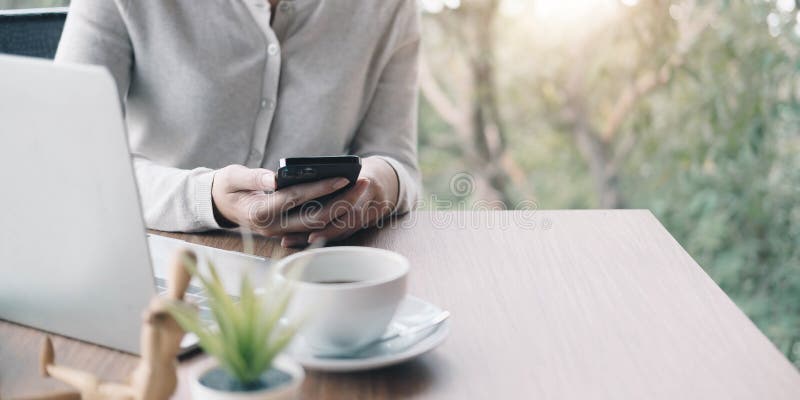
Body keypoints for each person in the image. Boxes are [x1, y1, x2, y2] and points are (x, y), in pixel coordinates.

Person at [55, 0, 421, 247]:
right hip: (153, 257)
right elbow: (67, 161)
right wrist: (206, 198)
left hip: (307, 269)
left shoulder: (390, 7)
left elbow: (398, 162)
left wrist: (379, 187)